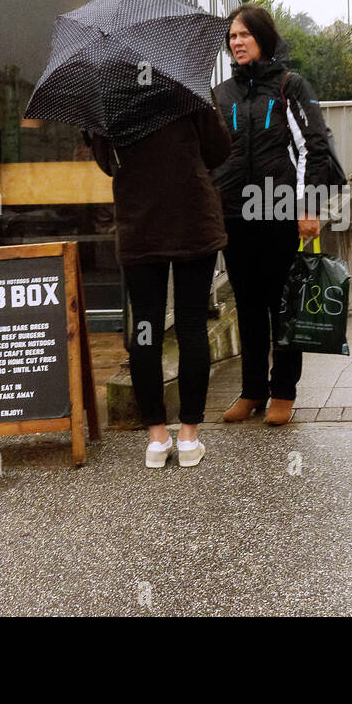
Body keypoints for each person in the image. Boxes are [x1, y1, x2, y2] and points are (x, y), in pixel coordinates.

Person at [87, 100, 231, 468]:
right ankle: (188, 437)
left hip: (140, 224)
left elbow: (108, 164)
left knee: (146, 328)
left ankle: (156, 438)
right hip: (192, 219)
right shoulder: (186, 82)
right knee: (191, 323)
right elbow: (217, 151)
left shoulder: (108, 96)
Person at [211, 3, 332, 426]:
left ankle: (283, 391)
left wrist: (308, 206)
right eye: (232, 37)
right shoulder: (221, 94)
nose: (237, 42)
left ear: (262, 37)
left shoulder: (289, 86)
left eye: (244, 34)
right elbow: (213, 154)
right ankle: (251, 392)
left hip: (280, 212)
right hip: (234, 215)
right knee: (247, 304)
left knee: (283, 305)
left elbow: (311, 147)